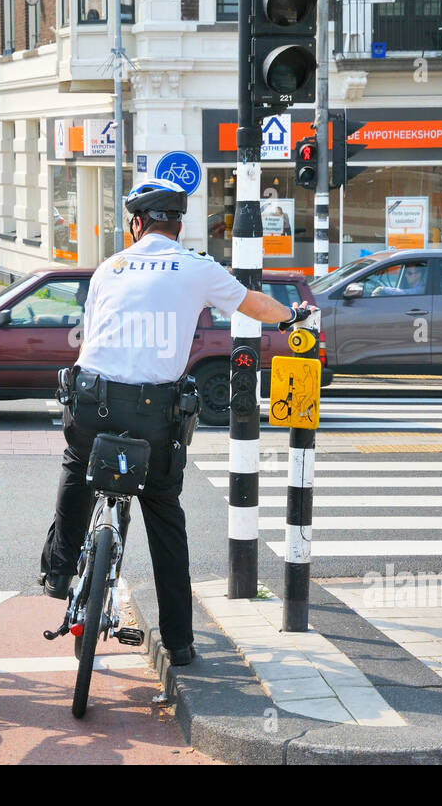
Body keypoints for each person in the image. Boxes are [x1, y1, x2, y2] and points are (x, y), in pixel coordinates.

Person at [39, 178, 317, 667]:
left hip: (92, 402)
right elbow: (254, 305)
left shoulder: (110, 267)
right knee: (164, 513)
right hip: (154, 415)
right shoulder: (197, 267)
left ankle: (59, 571)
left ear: (137, 224)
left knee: (76, 465)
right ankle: (180, 642)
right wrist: (293, 316)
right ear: (179, 225)